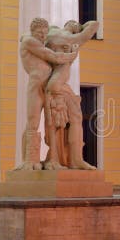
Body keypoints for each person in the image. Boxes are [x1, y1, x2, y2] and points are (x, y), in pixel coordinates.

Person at [15, 18, 76, 170]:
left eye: (44, 33)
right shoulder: (29, 41)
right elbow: (54, 56)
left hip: (46, 87)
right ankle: (29, 161)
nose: (43, 36)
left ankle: (52, 160)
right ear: (32, 31)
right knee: (33, 123)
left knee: (50, 123)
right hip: (36, 87)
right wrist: (73, 54)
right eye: (40, 33)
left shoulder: (37, 41)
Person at [43, 20, 100, 170]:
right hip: (57, 84)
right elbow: (93, 25)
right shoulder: (69, 38)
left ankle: (68, 158)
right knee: (67, 121)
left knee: (62, 122)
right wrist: (82, 29)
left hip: (54, 83)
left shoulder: (51, 36)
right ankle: (73, 159)